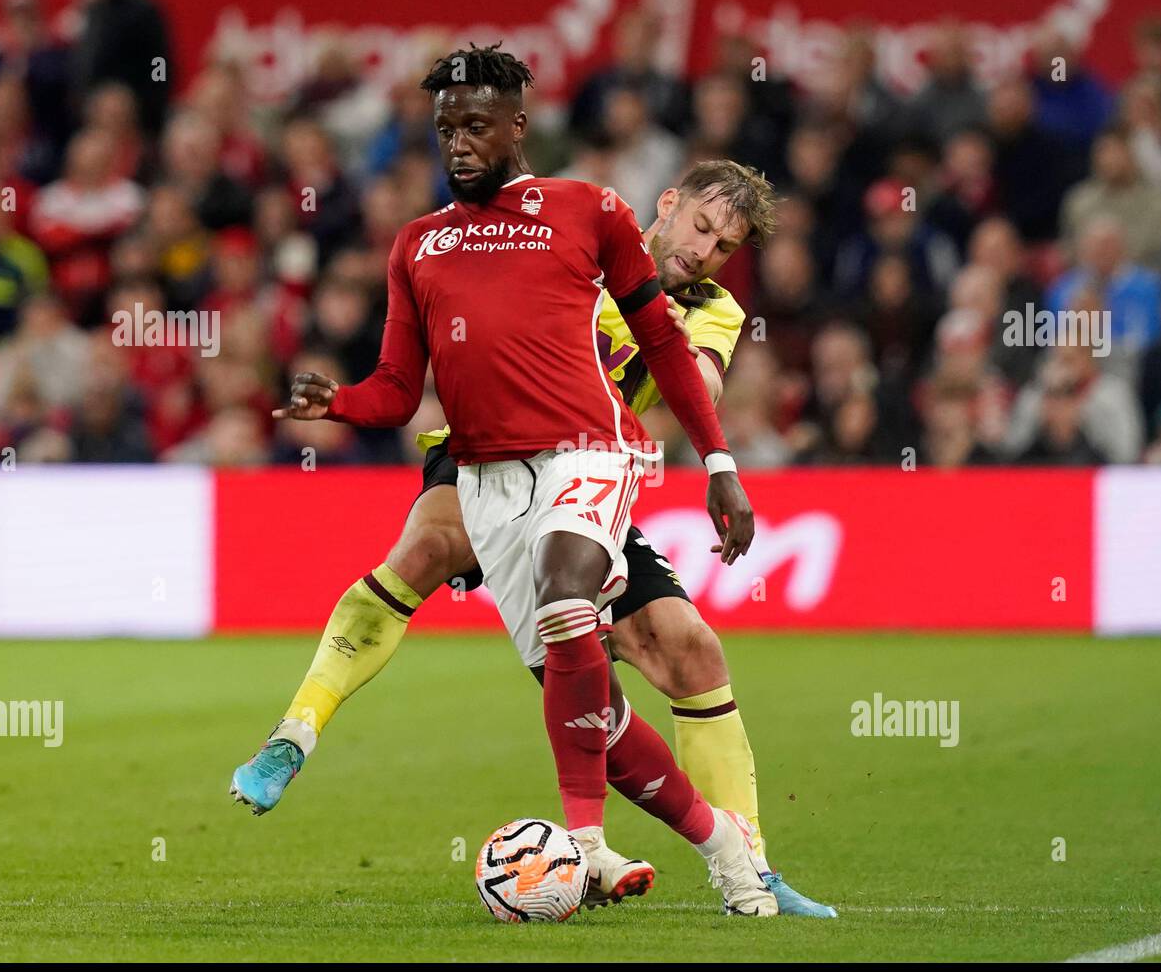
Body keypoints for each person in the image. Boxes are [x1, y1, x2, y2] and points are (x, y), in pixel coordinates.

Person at [233, 45, 778, 917]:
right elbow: (413, 369)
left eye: (726, 245)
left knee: (686, 648)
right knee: (430, 546)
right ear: (666, 206)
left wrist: (715, 454)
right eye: (701, 227)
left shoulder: (702, 305)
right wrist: (342, 399)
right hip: (482, 454)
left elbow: (693, 381)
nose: (707, 251)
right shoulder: (556, 229)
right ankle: (294, 734)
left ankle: (741, 854)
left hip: (590, 461)